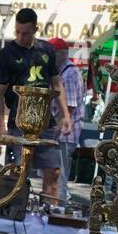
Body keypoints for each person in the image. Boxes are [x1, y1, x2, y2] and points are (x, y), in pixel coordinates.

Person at [0, 7, 72, 205]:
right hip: (17, 124)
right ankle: (13, 219)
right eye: (17, 32)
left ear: (36, 28)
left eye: (26, 33)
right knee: (16, 174)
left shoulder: (47, 50)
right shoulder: (6, 53)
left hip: (45, 123)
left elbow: (56, 84)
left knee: (53, 172)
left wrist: (66, 115)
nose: (21, 37)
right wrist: (2, 128)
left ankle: (47, 217)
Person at [49, 38, 84, 206]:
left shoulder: (69, 74)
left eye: (52, 54)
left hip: (64, 134)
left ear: (62, 54)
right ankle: (56, 206)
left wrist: (54, 130)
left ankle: (59, 211)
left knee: (59, 176)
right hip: (62, 133)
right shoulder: (62, 72)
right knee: (55, 176)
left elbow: (68, 109)